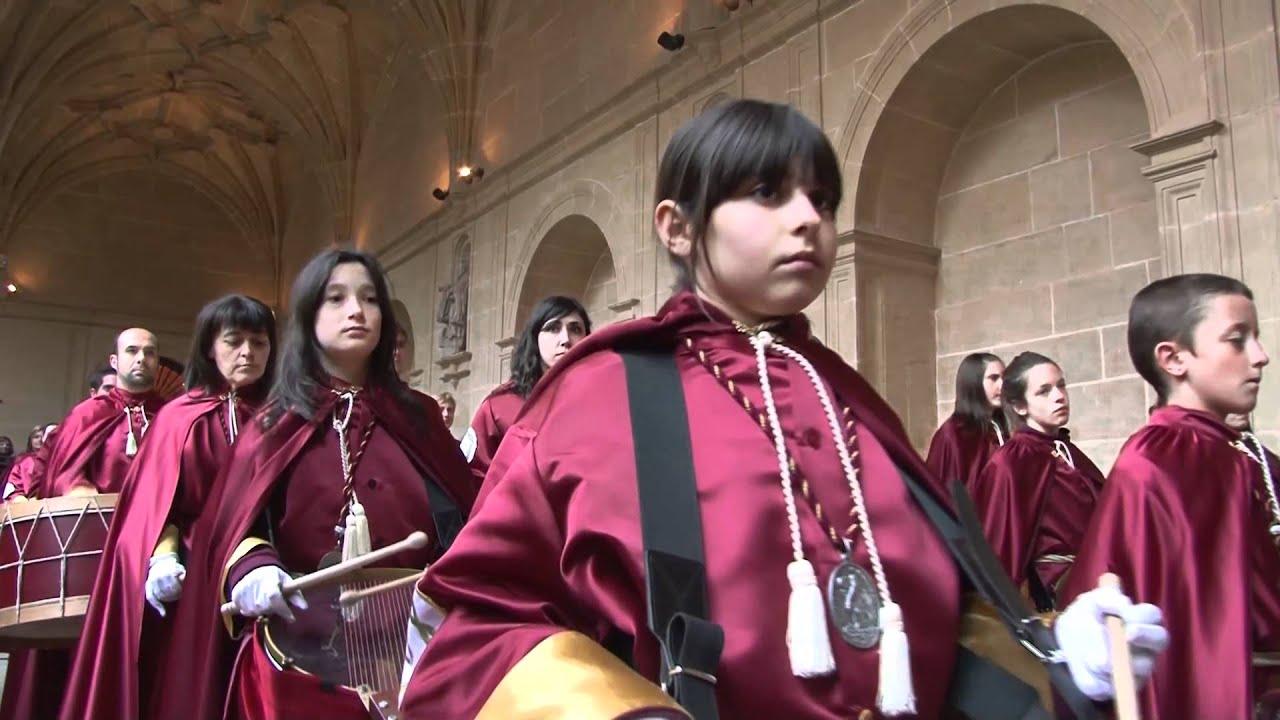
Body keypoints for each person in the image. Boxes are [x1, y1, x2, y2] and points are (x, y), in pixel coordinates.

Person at [401, 99, 1165, 719]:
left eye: (823, 200)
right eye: (768, 193)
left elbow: (939, 607)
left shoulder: (846, 396)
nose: (808, 219)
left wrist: (1057, 659)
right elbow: (477, 638)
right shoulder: (598, 390)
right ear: (678, 225)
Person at [183, 249, 476, 720]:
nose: (357, 311)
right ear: (308, 315)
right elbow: (238, 526)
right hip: (300, 656)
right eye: (336, 299)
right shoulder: (274, 421)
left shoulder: (419, 415)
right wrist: (252, 567)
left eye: (369, 299)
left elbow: (462, 518)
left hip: (418, 650)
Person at [1062, 273, 1276, 719]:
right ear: (1174, 358)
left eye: (1256, 338)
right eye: (1237, 340)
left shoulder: (1231, 452)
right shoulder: (1154, 462)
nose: (1260, 357)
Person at [59, 295, 277, 720]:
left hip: (264, 576)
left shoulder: (282, 417)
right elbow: (153, 507)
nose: (248, 352)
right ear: (210, 347)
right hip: (189, 577)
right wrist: (161, 557)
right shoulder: (178, 416)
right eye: (234, 341)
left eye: (260, 342)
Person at [969, 352, 1104, 611]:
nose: (1059, 396)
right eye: (1044, 391)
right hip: (1059, 599)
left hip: (1100, 580)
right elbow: (999, 550)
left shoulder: (1069, 452)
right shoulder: (1010, 462)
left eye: (1061, 385)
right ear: (1020, 406)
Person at [465, 295, 591, 481]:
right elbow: (472, 476)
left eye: (575, 329)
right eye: (553, 328)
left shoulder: (599, 400)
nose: (565, 339)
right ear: (535, 338)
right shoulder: (498, 406)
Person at [43, 328, 168, 496]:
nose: (141, 359)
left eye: (150, 353)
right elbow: (63, 473)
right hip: (99, 517)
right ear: (114, 361)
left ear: (157, 363)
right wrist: (79, 487)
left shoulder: (173, 414)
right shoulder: (87, 414)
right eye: (132, 351)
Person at [926, 352, 1007, 496]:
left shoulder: (1003, 428)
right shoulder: (953, 433)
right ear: (973, 383)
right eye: (993, 378)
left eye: (1004, 378)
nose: (1002, 385)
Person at [1, 423, 55, 501]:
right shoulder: (23, 461)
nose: (40, 440)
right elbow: (13, 487)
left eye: (42, 436)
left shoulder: (55, 459)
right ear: (30, 440)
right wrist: (19, 498)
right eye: (36, 437)